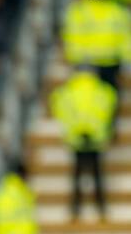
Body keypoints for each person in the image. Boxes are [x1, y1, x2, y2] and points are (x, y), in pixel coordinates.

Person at [50, 68, 116, 221]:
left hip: (76, 138)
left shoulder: (68, 91)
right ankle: (101, 207)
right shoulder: (101, 90)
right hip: (96, 138)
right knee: (97, 174)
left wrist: (71, 129)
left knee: (77, 173)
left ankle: (75, 208)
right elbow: (111, 102)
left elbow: (57, 105)